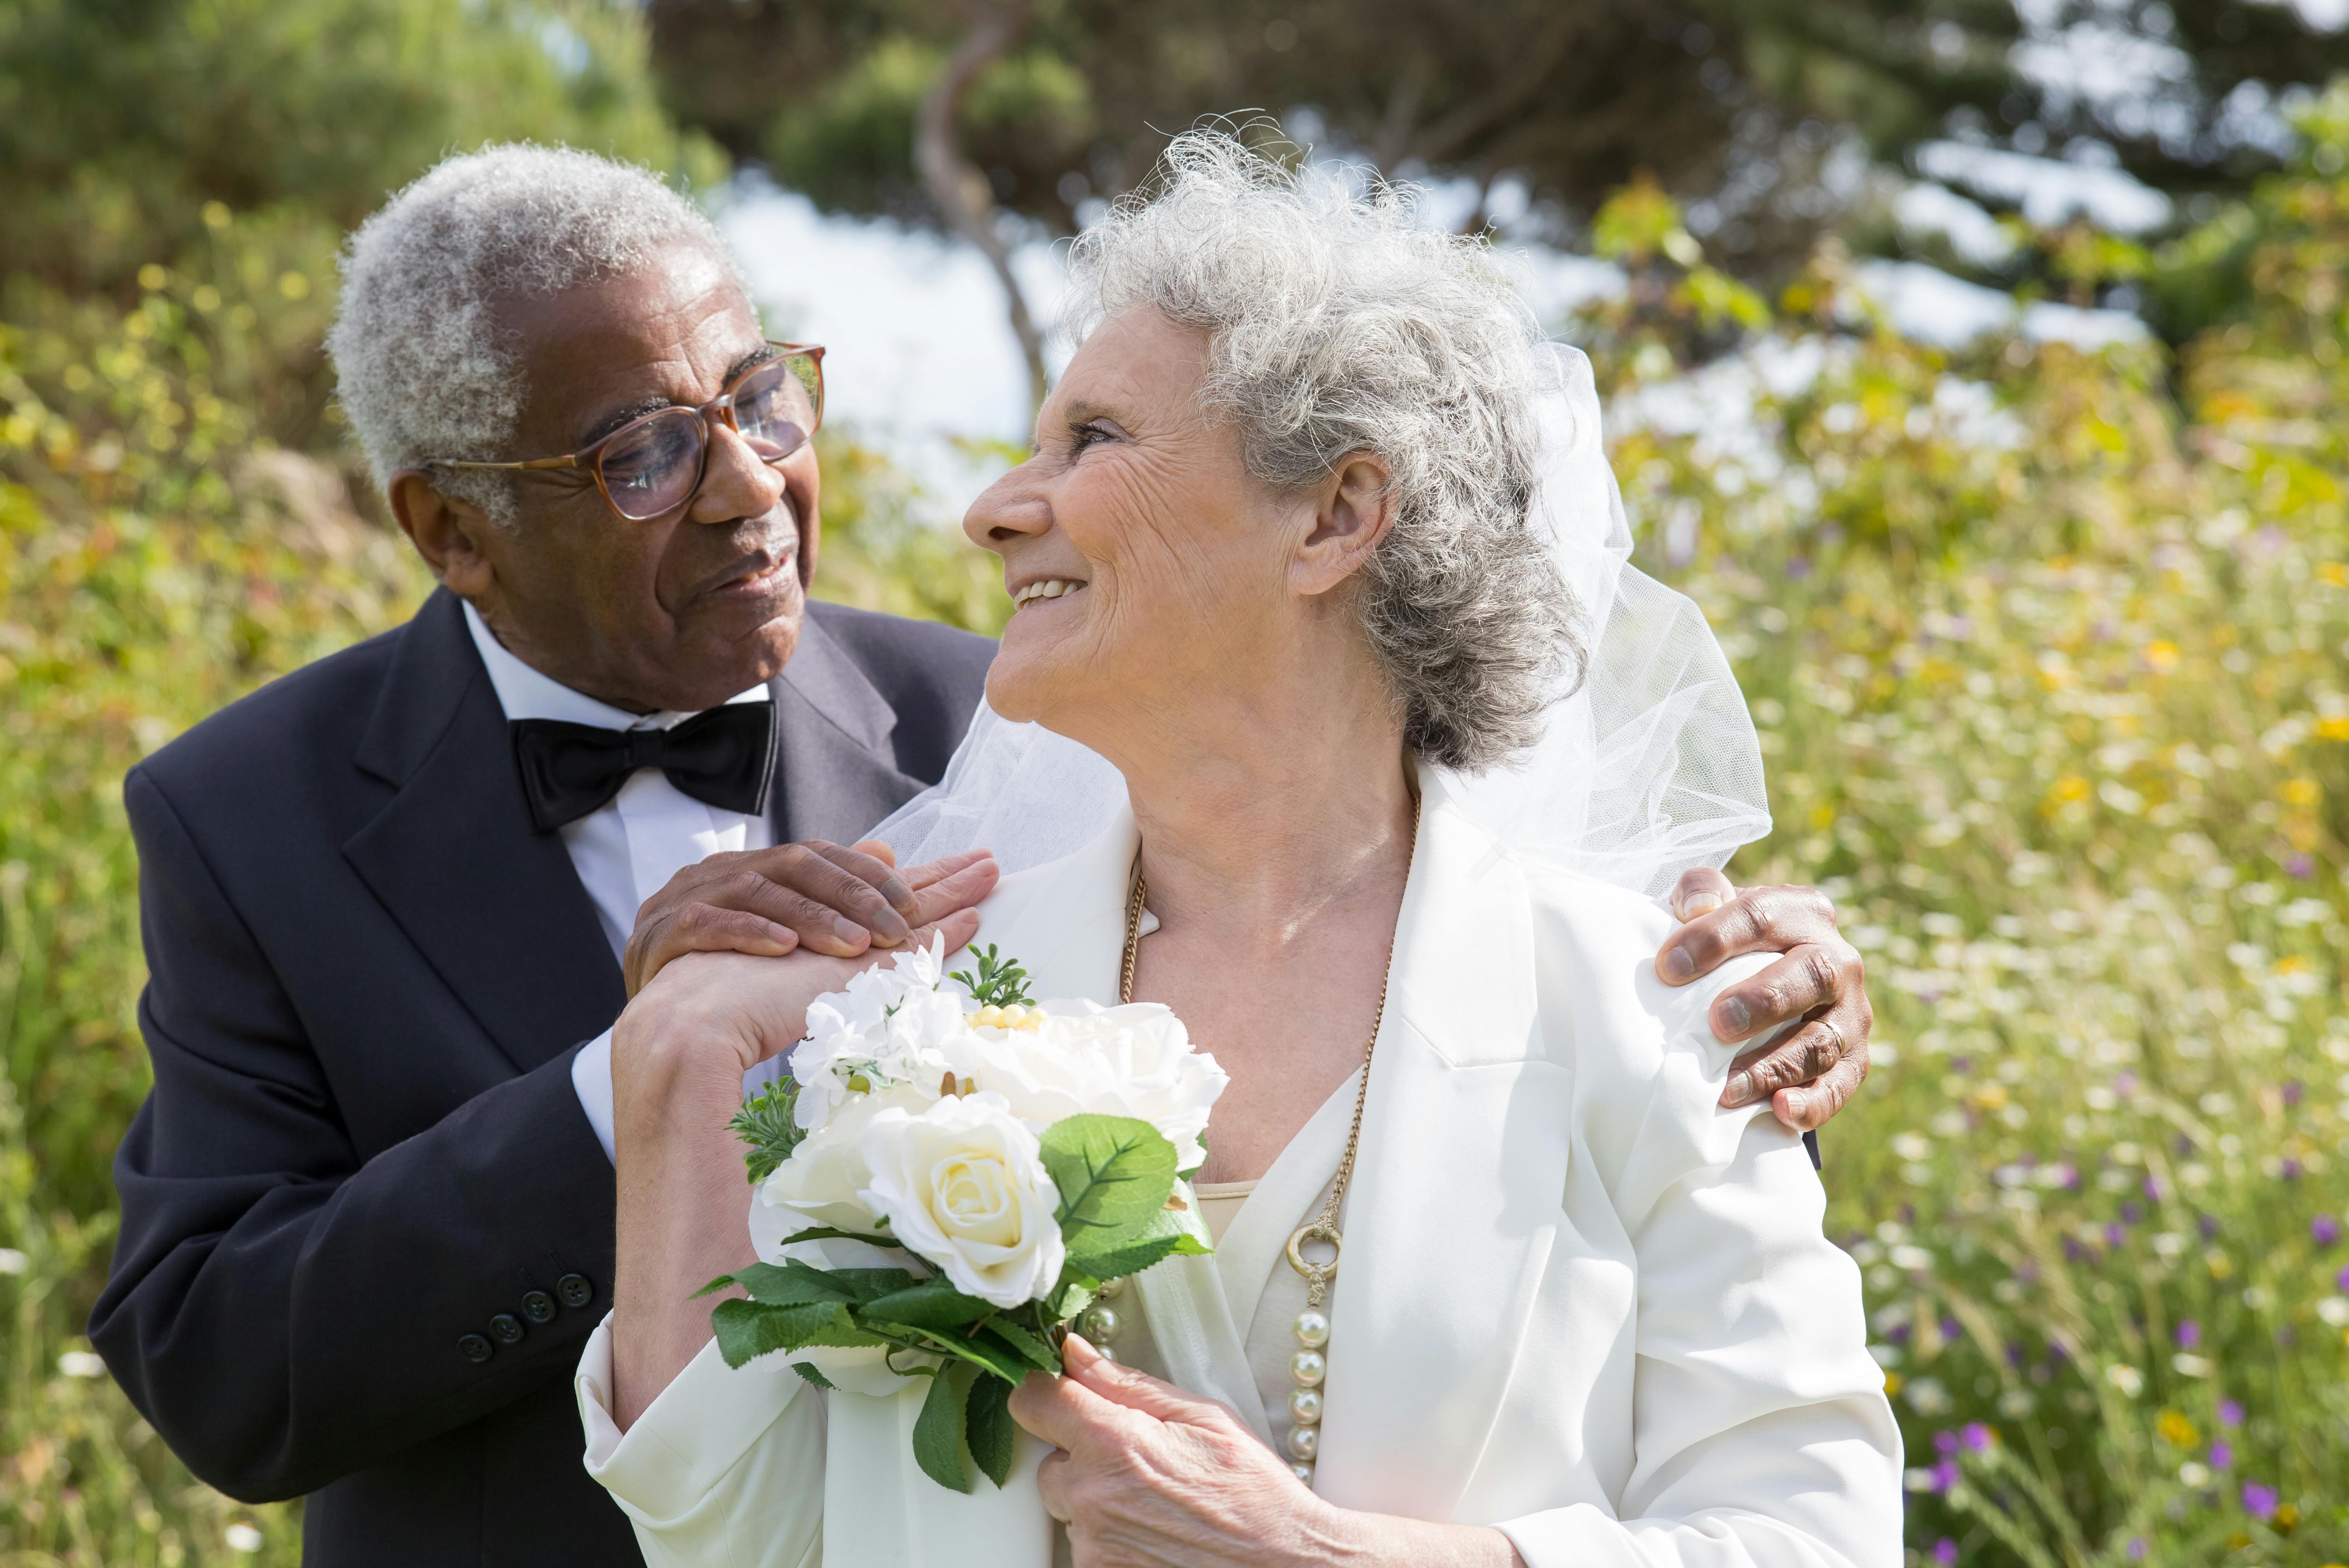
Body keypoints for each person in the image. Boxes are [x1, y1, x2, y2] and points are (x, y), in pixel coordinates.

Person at [90, 143, 1873, 1568]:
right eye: (641, 452)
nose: (751, 488)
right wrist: (649, 1075)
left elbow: (1806, 1509)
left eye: (762, 401)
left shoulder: (995, 723)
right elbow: (266, 1379)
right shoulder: (246, 817)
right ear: (450, 530)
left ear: (1340, 514)